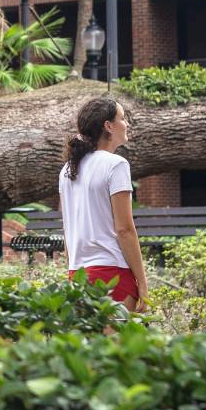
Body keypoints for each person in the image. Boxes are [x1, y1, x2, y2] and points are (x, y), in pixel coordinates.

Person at [58, 97, 147, 311]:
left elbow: (67, 230)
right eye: (123, 119)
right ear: (108, 126)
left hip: (77, 276)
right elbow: (124, 230)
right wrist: (143, 285)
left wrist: (72, 273)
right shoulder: (116, 165)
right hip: (112, 275)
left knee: (89, 345)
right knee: (116, 344)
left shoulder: (67, 170)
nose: (126, 124)